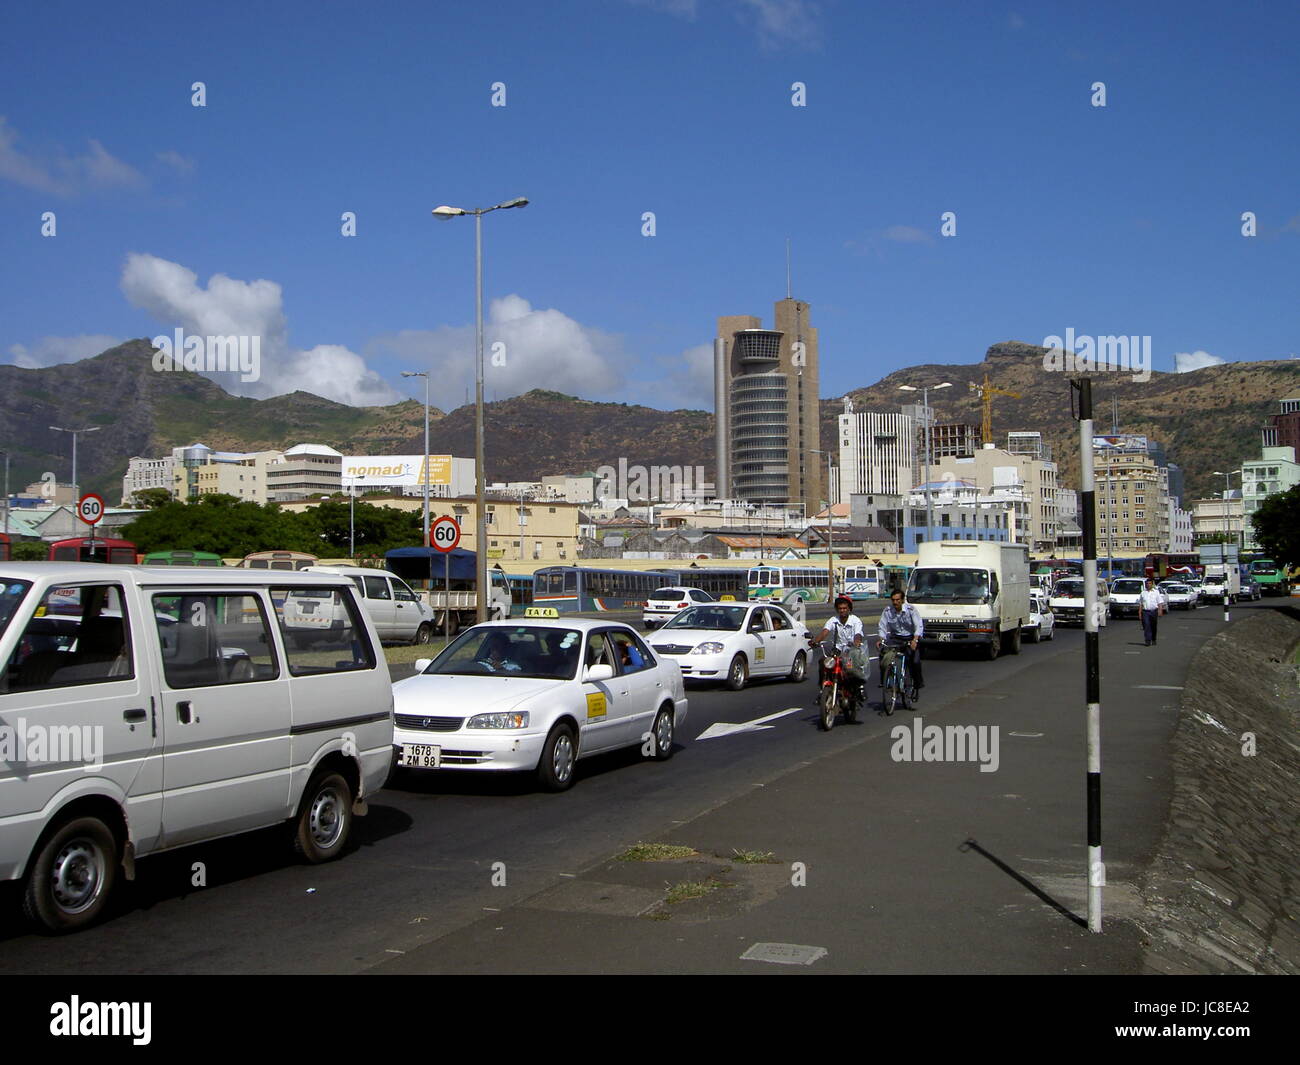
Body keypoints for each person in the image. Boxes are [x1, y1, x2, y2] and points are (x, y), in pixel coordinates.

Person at [809, 595, 865, 696]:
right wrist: (815, 641)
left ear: (849, 609)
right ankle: (823, 687)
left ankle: (859, 688)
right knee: (823, 662)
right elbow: (824, 632)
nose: (842, 611)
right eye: (840, 608)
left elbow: (858, 634)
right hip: (837, 651)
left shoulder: (855, 620)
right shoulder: (833, 620)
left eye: (844, 608)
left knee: (851, 669)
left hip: (851, 651)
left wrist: (856, 641)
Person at [877, 587, 925, 699]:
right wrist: (881, 639)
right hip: (895, 638)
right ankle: (884, 681)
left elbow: (918, 625)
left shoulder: (911, 610)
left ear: (902, 600)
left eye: (898, 600)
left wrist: (915, 640)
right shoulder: (888, 611)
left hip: (911, 637)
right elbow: (882, 626)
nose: (895, 602)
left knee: (915, 661)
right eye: (893, 600)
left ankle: (917, 685)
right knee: (883, 654)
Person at [1138, 578, 1166, 646]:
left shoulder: (1156, 592)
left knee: (1153, 626)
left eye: (1150, 583)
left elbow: (1160, 602)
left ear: (1152, 584)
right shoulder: (1143, 593)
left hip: (1154, 611)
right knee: (1146, 625)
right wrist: (1139, 612)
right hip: (1145, 612)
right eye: (1147, 584)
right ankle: (1147, 640)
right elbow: (1141, 604)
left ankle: (1153, 639)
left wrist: (1160, 610)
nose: (1148, 585)